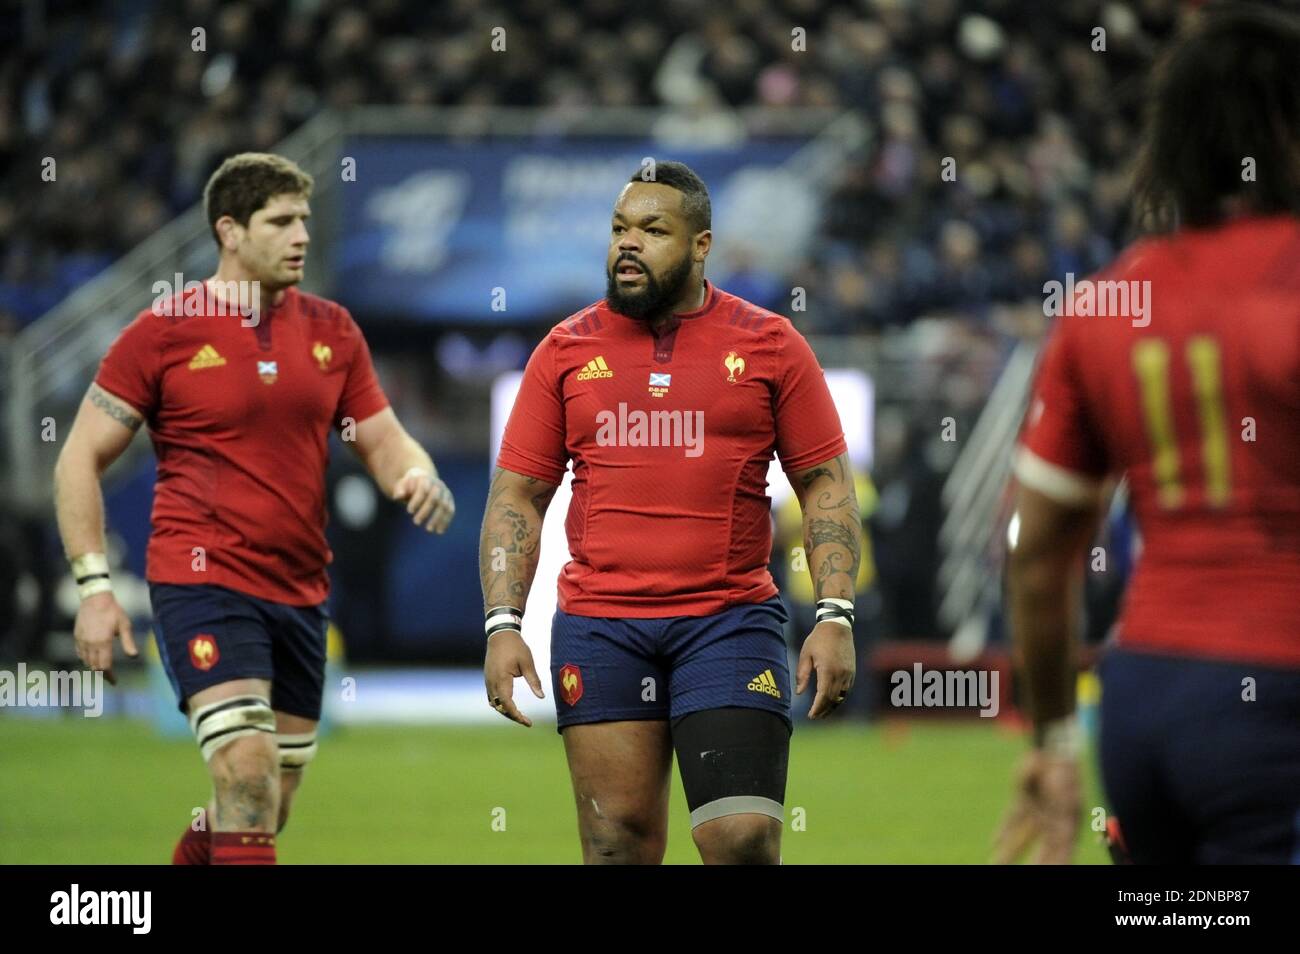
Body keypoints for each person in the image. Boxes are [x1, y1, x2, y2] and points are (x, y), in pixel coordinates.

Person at [53, 152, 455, 864]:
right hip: (201, 582)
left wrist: (417, 476)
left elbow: (384, 441)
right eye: (281, 221)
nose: (301, 234)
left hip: (299, 591)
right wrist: (94, 589)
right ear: (230, 231)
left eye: (304, 219)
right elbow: (78, 456)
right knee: (245, 772)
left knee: (267, 804)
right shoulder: (164, 332)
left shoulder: (333, 332)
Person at [480, 161, 861, 864]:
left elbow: (826, 485)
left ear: (701, 245)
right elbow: (517, 497)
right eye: (620, 228)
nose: (629, 244)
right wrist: (503, 624)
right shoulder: (564, 351)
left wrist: (835, 614)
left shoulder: (771, 345)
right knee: (616, 845)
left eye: (654, 230)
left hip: (730, 619)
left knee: (742, 838)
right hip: (601, 628)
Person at [995, 3, 1300, 864]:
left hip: (1144, 709)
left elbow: (1036, 550)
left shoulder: (1109, 300)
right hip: (1277, 703)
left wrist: (1054, 744)